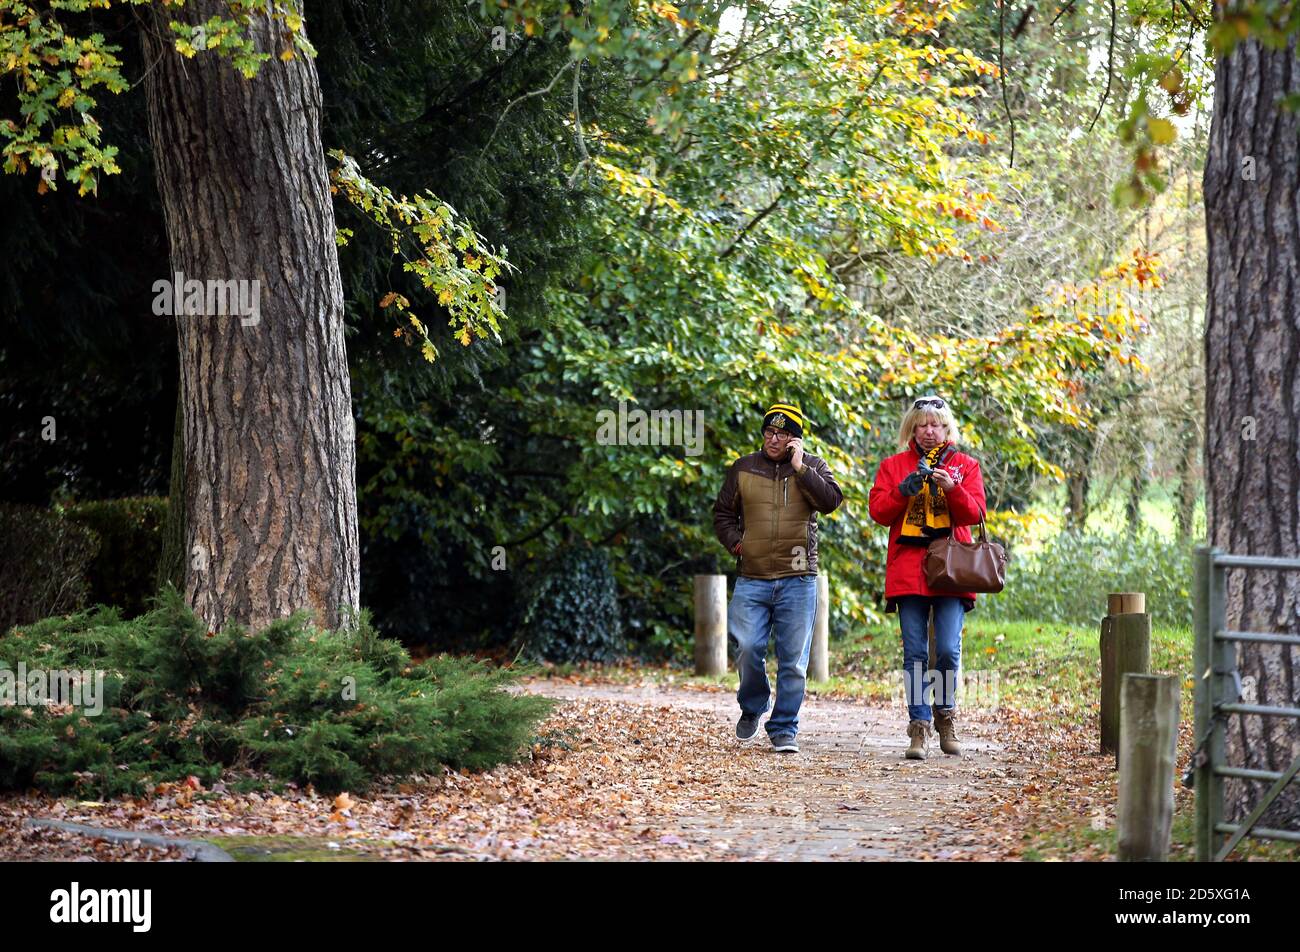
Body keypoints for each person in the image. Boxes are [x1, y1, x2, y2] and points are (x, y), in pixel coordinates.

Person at [713, 402, 843, 754]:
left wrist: (801, 469)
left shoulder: (812, 466)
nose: (773, 439)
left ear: (795, 440)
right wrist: (736, 544)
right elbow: (723, 514)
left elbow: (831, 500)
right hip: (752, 577)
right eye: (769, 432)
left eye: (782, 434)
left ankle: (784, 727)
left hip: (798, 578)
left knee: (794, 662)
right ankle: (753, 706)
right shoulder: (743, 468)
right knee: (747, 647)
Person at [868, 395, 986, 760]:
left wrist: (953, 489)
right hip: (909, 569)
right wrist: (903, 491)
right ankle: (918, 727)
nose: (929, 430)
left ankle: (945, 717)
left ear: (946, 428)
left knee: (948, 650)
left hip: (952, 569)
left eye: (936, 424)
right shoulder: (893, 466)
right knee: (916, 653)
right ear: (912, 429)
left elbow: (976, 514)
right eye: (922, 424)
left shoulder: (965, 465)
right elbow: (879, 511)